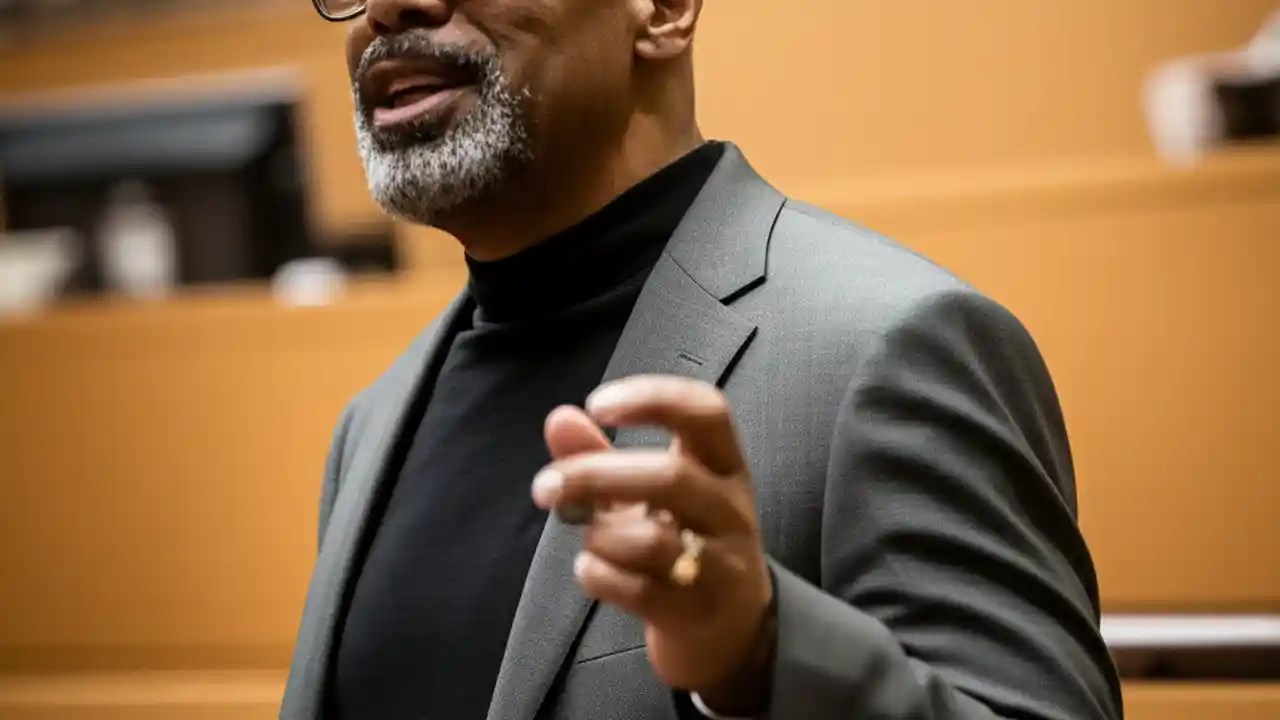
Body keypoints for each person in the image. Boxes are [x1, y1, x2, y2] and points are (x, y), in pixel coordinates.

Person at [283, 1, 1123, 718]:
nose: (388, 7)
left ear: (664, 9)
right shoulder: (372, 424)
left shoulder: (896, 343)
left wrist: (761, 655)